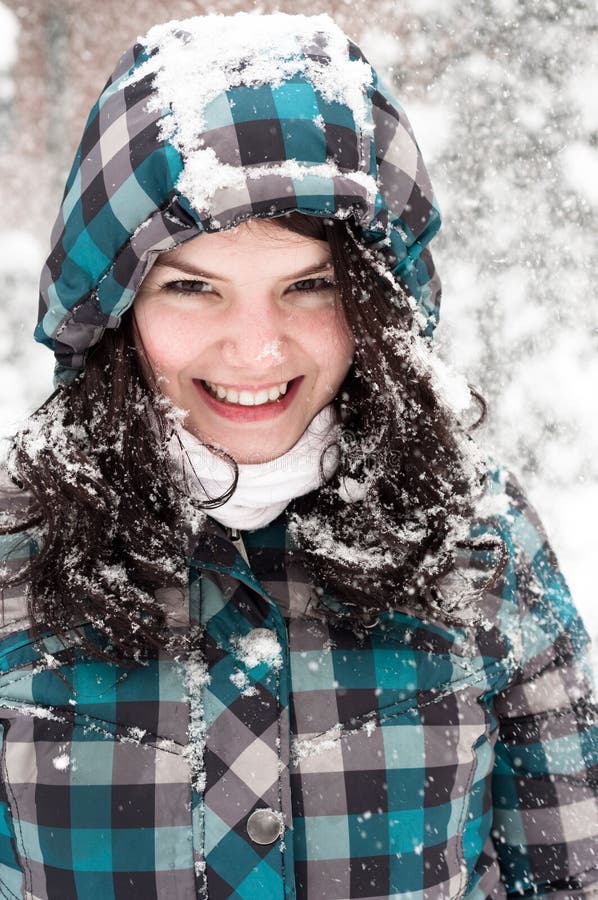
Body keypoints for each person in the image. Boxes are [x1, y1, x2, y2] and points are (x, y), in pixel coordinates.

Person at [0, 11, 596, 900]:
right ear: (114, 310)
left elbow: (571, 874)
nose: (256, 349)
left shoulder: (481, 542)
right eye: (192, 287)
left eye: (308, 285)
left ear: (376, 301)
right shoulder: (14, 555)